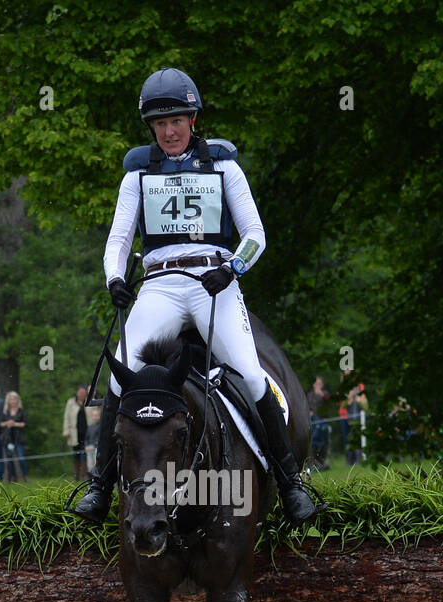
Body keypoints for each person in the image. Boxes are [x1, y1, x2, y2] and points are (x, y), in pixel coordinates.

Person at [71, 68, 316, 526]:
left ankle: (290, 484)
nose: (168, 132)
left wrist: (232, 268)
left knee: (250, 372)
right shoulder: (136, 173)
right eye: (160, 125)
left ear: (193, 119)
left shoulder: (224, 166)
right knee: (120, 378)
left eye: (176, 122)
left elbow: (255, 235)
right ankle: (100, 487)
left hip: (212, 282)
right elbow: (118, 242)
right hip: (160, 284)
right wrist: (114, 279)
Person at [0, 391, 28, 482]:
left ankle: (25, 476)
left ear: (18, 400)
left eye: (14, 399)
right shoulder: (5, 412)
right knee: (9, 458)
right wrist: (7, 423)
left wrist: (14, 423)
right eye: (11, 399)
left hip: (18, 438)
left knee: (21, 457)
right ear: (8, 401)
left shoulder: (22, 411)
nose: (13, 401)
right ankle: (12, 477)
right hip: (8, 438)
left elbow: (25, 423)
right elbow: (0, 423)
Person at [64, 386, 89, 481]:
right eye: (80, 392)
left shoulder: (89, 401)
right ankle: (75, 475)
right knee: (76, 454)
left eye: (84, 393)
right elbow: (66, 417)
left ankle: (85, 474)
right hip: (75, 433)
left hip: (87, 433)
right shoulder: (71, 402)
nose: (82, 394)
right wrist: (66, 431)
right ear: (77, 393)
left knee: (84, 454)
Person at [307, 377, 331, 469]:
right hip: (313, 422)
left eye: (320, 384)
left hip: (323, 421)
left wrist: (322, 396)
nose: (318, 386)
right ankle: (313, 463)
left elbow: (329, 404)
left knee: (324, 442)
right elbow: (308, 406)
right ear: (314, 385)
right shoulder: (310, 395)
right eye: (317, 384)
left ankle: (321, 462)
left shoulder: (325, 394)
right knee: (313, 441)